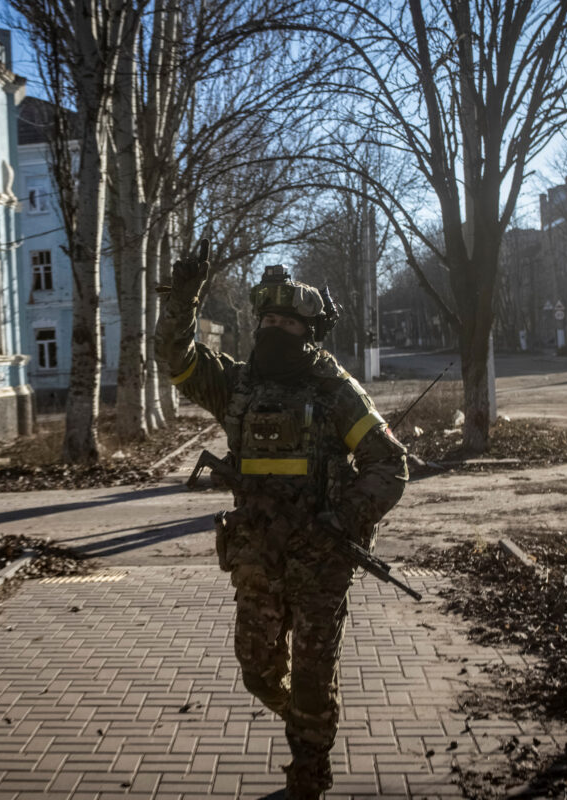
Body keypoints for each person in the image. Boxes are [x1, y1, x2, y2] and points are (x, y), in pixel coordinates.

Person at [155, 243, 408, 799]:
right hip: (258, 555)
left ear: (308, 329)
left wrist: (341, 521)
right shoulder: (237, 385)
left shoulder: (335, 389)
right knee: (258, 670)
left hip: (321, 557)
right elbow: (174, 358)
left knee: (314, 677)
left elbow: (389, 465)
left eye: (287, 321)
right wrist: (183, 299)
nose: (274, 328)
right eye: (267, 319)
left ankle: (309, 768)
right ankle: (309, 719)